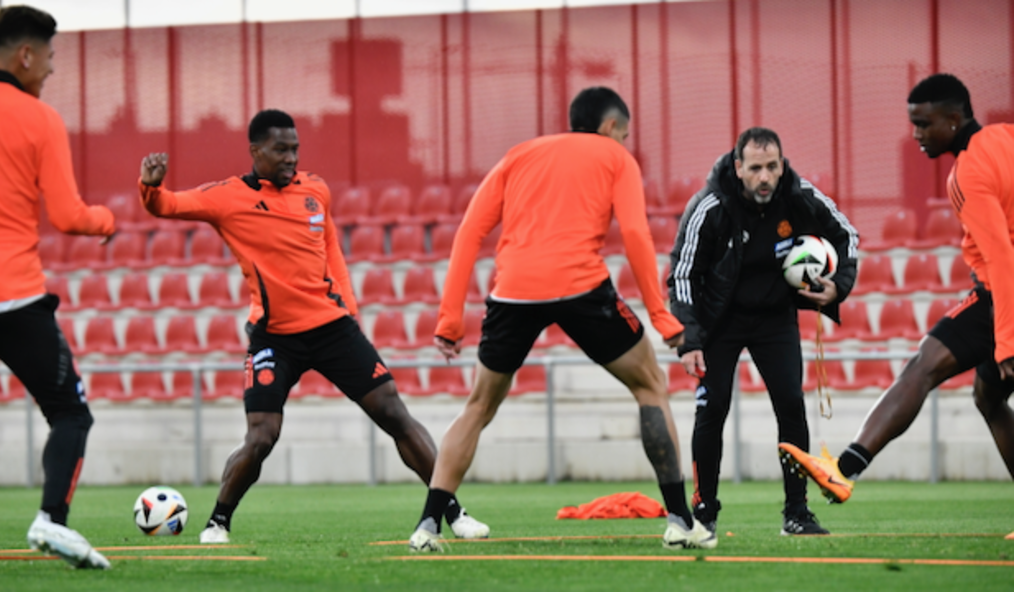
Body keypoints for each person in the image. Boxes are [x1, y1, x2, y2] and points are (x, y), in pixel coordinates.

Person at [137, 109, 488, 544]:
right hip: (274, 337)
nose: (291, 158)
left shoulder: (315, 191)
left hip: (332, 328)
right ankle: (218, 522)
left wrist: (352, 314)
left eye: (295, 149)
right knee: (262, 437)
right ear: (255, 151)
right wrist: (150, 186)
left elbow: (331, 253)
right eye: (281, 150)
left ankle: (452, 513)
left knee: (394, 412)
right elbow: (167, 205)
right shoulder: (227, 197)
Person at [408, 87, 715, 553]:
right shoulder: (615, 158)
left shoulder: (518, 155)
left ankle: (428, 525)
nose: (625, 142)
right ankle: (679, 520)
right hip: (581, 287)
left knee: (478, 407)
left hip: (512, 292)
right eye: (625, 134)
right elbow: (634, 231)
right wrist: (662, 317)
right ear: (611, 127)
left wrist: (450, 320)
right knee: (650, 385)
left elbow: (470, 230)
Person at [780, 74, 1014, 512]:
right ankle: (844, 468)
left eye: (924, 124)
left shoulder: (967, 175)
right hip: (1000, 292)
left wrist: (1006, 343)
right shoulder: (1007, 137)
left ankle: (843, 469)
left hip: (1002, 295)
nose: (916, 135)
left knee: (922, 366)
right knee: (987, 397)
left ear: (954, 117)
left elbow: (1002, 258)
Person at [0, 6, 114, 569]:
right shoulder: (40, 118)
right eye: (48, 58)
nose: (50, 71)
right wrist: (107, 221)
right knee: (70, 414)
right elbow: (71, 215)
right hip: (13, 299)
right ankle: (51, 521)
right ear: (25, 54)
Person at [667, 127, 859, 536]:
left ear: (781, 164)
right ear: (739, 168)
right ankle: (704, 514)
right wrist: (690, 340)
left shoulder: (798, 194)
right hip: (720, 321)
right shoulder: (710, 206)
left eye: (772, 166)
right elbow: (682, 275)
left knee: (791, 403)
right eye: (755, 168)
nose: (765, 177)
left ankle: (797, 513)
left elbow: (847, 236)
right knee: (712, 408)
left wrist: (838, 285)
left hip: (775, 318)